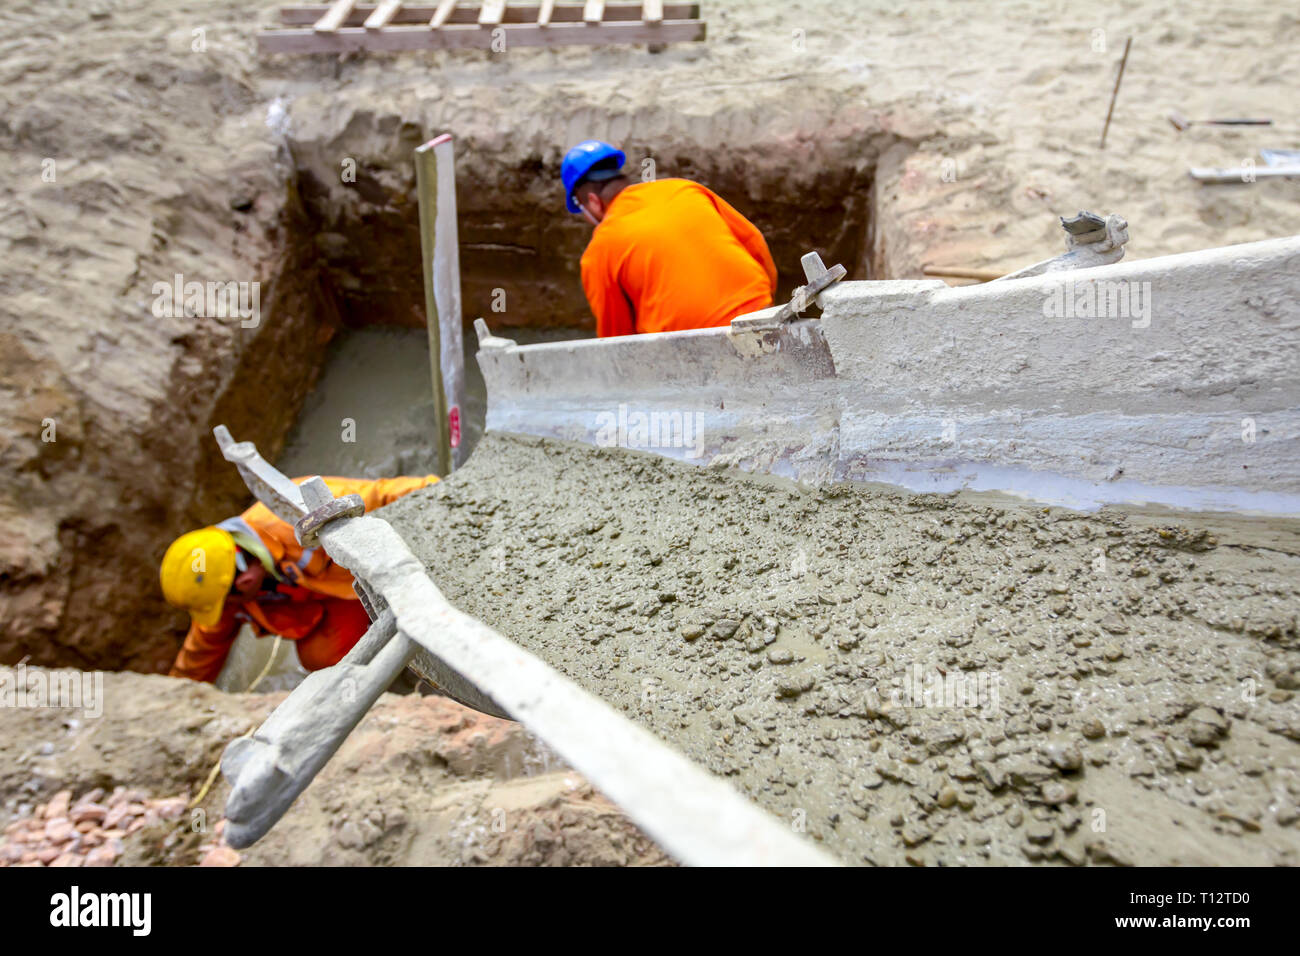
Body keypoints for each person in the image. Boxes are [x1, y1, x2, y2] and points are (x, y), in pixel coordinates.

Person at [160, 474, 437, 683]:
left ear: (242, 582)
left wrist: (446, 495)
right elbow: (199, 655)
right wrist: (176, 699)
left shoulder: (294, 512)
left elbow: (384, 494)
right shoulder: (219, 589)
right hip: (343, 596)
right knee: (323, 660)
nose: (226, 609)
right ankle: (385, 674)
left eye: (227, 601)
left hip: (379, 570)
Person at [562, 140, 778, 337]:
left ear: (592, 201)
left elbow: (617, 341)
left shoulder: (600, 249)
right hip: (762, 313)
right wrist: (763, 301)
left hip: (698, 344)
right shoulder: (683, 188)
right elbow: (754, 242)